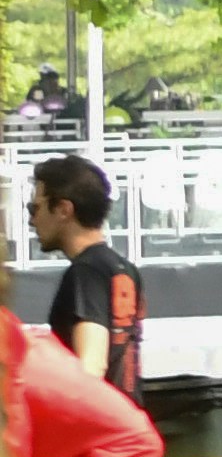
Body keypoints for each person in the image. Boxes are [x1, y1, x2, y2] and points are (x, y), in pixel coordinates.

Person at [33, 157, 135, 398]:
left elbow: (92, 366)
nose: (31, 220)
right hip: (127, 412)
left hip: (97, 417)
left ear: (63, 210)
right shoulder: (124, 268)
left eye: (35, 209)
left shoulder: (85, 272)